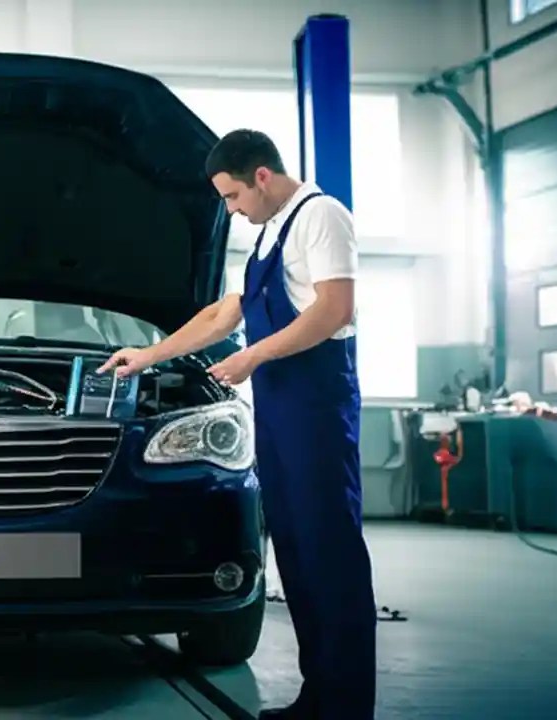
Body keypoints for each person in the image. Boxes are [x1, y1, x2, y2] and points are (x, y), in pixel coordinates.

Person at [98, 129, 376, 719]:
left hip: (316, 406)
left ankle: (346, 706)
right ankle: (320, 697)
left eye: (232, 196)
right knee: (296, 552)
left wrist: (251, 356)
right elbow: (228, 311)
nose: (232, 209)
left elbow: (334, 309)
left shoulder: (321, 216)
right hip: (279, 407)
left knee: (330, 552)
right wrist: (149, 355)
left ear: (262, 177)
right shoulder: (270, 231)